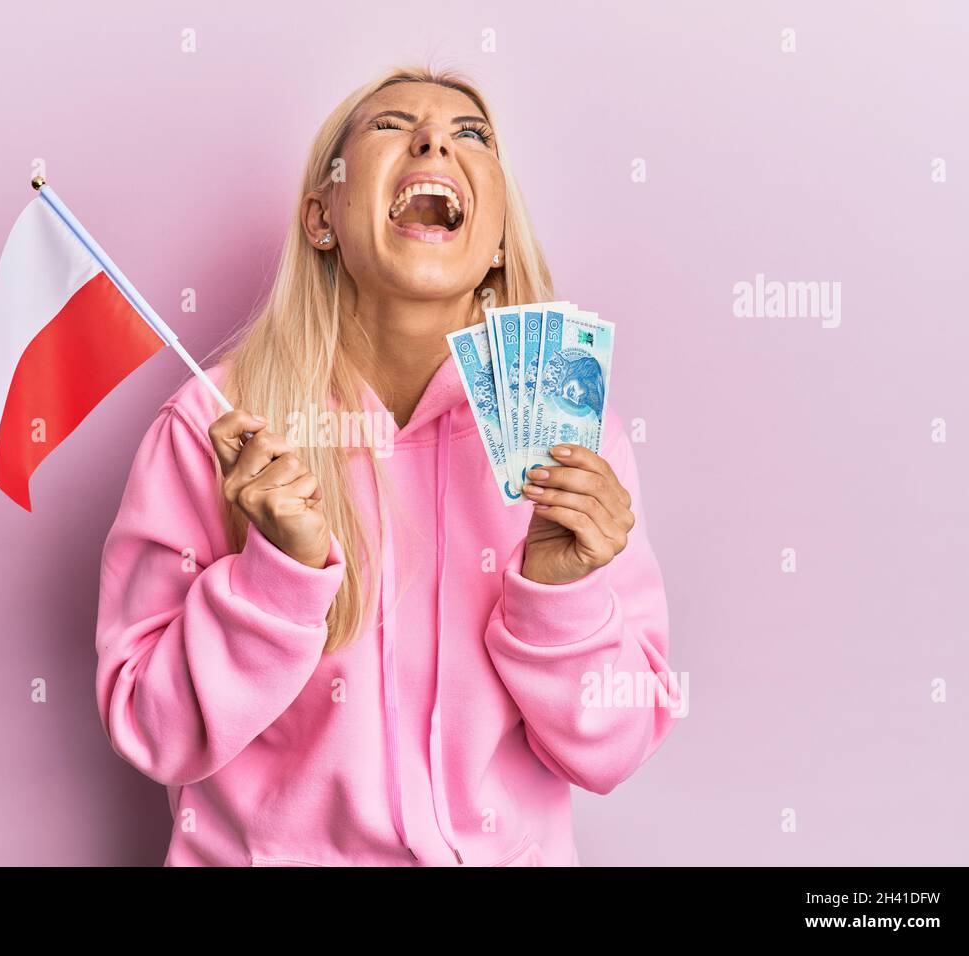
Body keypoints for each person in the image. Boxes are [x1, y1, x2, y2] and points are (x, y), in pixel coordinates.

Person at [94, 65, 676, 866]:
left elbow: (613, 748)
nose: (435, 138)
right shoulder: (221, 428)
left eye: (472, 134)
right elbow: (148, 728)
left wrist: (558, 592)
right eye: (390, 124)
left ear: (499, 235)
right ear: (321, 217)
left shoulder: (573, 439)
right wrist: (277, 576)